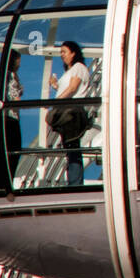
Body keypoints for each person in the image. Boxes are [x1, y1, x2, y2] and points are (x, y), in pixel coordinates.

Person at [49, 41, 91, 186]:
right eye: (60, 52)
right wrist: (55, 85)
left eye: (64, 52)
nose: (62, 55)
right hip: (68, 110)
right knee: (70, 148)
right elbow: (67, 89)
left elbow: (73, 88)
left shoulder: (78, 67)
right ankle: (74, 181)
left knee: (72, 148)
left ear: (73, 53)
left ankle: (75, 183)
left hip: (72, 112)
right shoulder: (70, 70)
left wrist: (56, 101)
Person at [0, 51, 23, 195]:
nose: (19, 64)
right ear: (13, 61)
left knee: (1, 152)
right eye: (18, 61)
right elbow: (11, 95)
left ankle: (0, 184)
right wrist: (19, 102)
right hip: (8, 118)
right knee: (14, 151)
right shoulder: (10, 75)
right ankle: (7, 183)